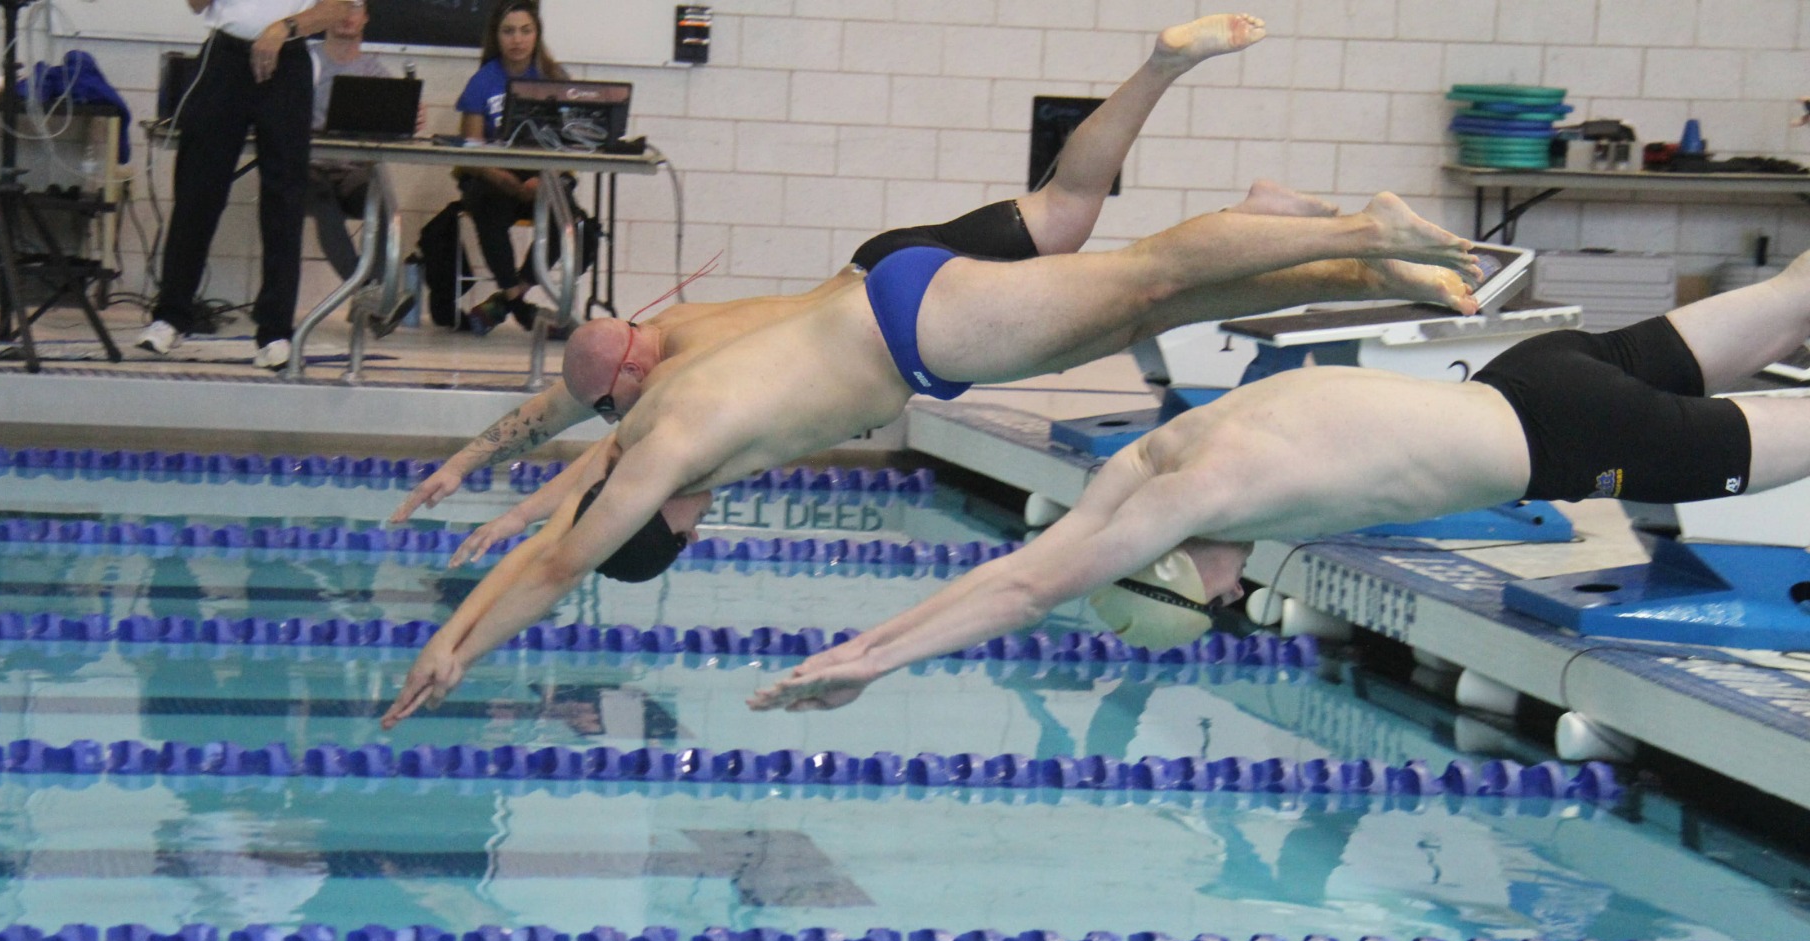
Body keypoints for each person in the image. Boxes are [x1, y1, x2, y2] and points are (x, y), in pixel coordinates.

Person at [376, 185, 1482, 730]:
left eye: (680, 530)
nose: (697, 522)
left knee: (1144, 278)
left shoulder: (662, 458)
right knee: (1149, 301)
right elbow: (557, 523)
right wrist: (454, 622)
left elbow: (562, 559)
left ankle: (1363, 232)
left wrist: (458, 646)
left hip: (920, 329)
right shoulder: (646, 420)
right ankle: (1352, 269)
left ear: (665, 521)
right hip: (905, 317)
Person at [744, 252, 1810, 713]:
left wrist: (876, 666)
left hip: (1576, 435)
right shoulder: (1146, 461)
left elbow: (1029, 589)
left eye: (1209, 605)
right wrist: (862, 646)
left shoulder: (1195, 496)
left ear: (1172, 571)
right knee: (1789, 292)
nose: (1231, 596)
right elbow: (1025, 564)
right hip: (1526, 377)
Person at [391, 12, 1277, 547]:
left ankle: (1249, 227)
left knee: (1128, 291)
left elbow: (601, 464)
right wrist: (458, 468)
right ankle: (1172, 82)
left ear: (628, 376)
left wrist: (517, 520)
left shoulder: (679, 385)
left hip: (905, 312)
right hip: (883, 256)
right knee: (1069, 203)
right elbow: (547, 414)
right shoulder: (687, 326)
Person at [139, 0, 362, 369]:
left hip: (289, 55)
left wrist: (285, 28)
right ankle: (172, 316)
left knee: (284, 199)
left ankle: (275, 331)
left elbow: (338, 8)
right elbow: (197, 6)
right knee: (198, 191)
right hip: (225, 55)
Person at [452, 0, 572, 335]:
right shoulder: (482, 81)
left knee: (578, 229)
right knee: (488, 211)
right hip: (494, 177)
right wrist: (507, 181)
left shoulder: (555, 78)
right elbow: (472, 151)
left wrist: (541, 180)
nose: (517, 40)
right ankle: (522, 309)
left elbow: (570, 145)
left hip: (543, 177)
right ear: (496, 36)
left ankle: (505, 300)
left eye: (525, 30)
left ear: (537, 34)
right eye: (508, 31)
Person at [303, 0, 419, 333]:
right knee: (324, 204)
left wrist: (408, 119)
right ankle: (371, 294)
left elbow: (391, 130)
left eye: (353, 6)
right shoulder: (306, 61)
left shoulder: (375, 72)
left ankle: (374, 301)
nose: (345, 15)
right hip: (310, 168)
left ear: (365, 17)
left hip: (353, 171)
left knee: (381, 202)